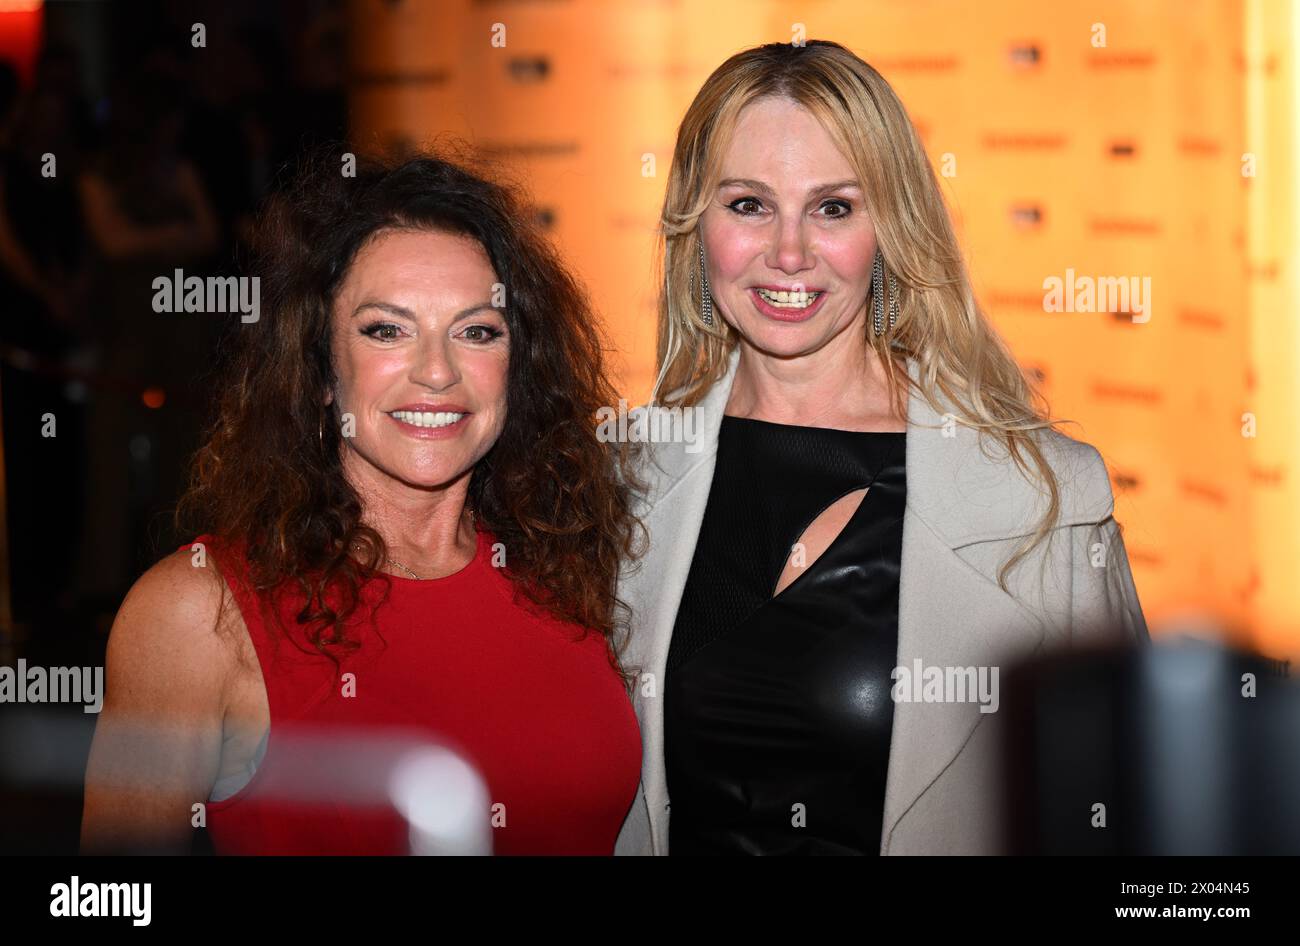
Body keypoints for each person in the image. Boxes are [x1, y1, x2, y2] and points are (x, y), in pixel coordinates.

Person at [615, 40, 1149, 856]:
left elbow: (1132, 827)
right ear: (695, 222)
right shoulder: (619, 484)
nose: (789, 253)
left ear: (890, 225)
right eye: (749, 205)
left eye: (833, 207)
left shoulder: (1046, 502)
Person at [81, 149, 643, 855]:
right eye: (387, 330)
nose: (436, 372)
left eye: (477, 331)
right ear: (319, 372)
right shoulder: (201, 612)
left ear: (517, 368)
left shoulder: (572, 571)